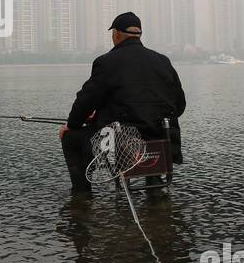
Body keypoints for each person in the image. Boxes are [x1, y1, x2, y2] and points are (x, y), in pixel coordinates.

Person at [59, 11, 186, 192]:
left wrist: (72, 124)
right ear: (139, 34)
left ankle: (82, 197)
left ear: (116, 34)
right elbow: (179, 105)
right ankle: (155, 193)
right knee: (151, 136)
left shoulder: (107, 62)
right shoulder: (163, 61)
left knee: (71, 138)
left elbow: (85, 101)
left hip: (122, 145)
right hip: (160, 142)